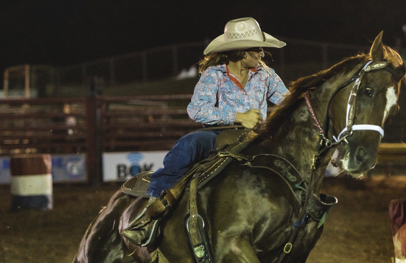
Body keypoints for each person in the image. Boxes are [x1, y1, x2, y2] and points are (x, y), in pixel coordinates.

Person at [122, 17, 288, 241]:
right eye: (257, 49)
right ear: (242, 52)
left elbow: (288, 101)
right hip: (218, 134)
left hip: (257, 137)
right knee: (188, 145)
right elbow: (197, 110)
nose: (262, 53)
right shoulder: (214, 75)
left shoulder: (266, 75)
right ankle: (151, 213)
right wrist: (238, 116)